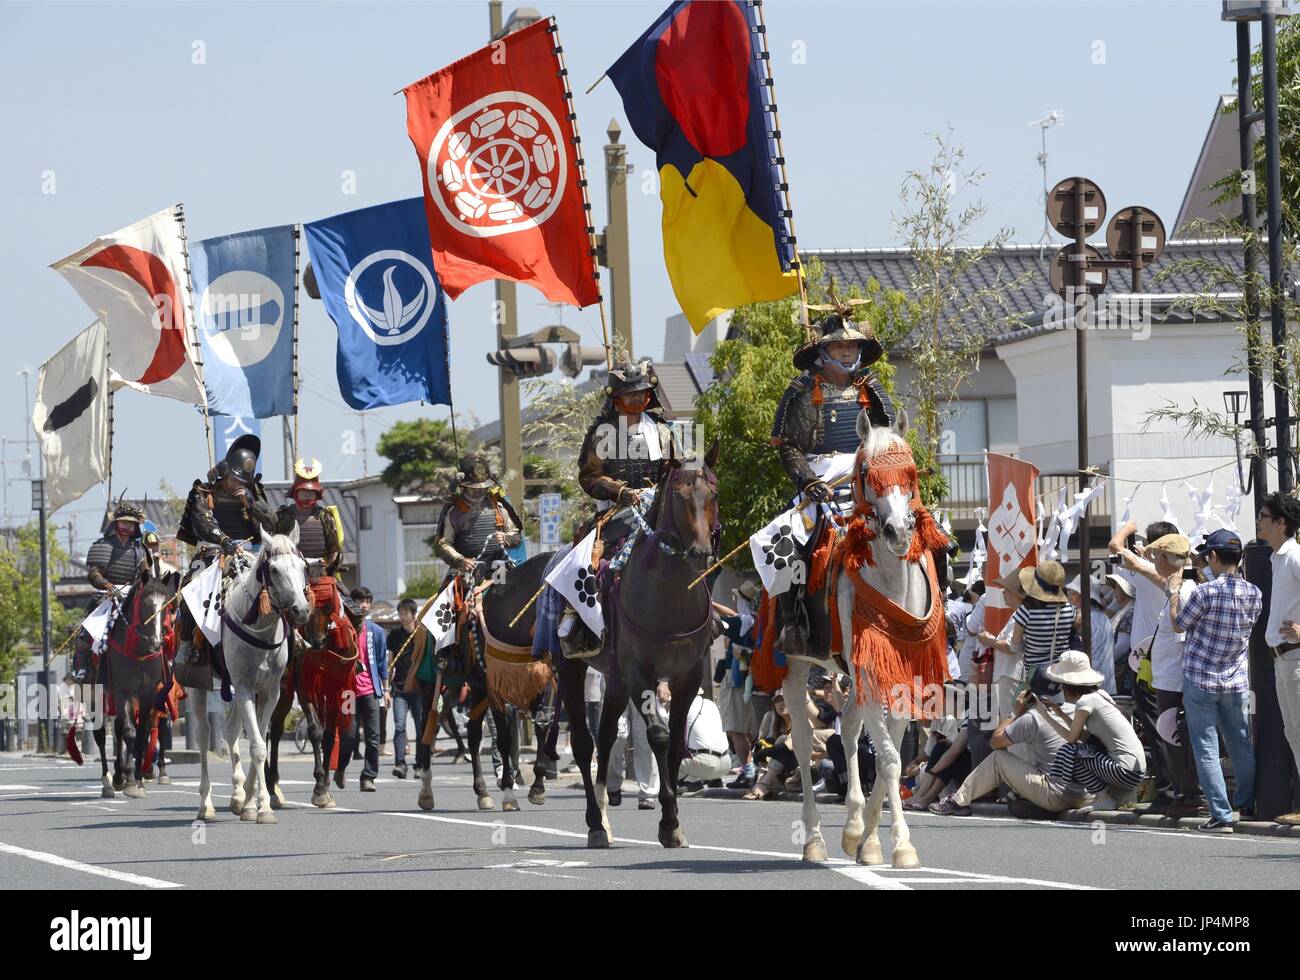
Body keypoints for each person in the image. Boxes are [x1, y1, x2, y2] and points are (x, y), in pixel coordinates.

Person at [770, 303, 893, 656]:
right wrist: (808, 482)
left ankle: (936, 609)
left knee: (925, 530)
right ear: (822, 352)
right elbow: (790, 447)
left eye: (852, 346)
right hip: (821, 479)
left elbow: (888, 436)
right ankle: (792, 622)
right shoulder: (803, 392)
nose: (847, 351)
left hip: (868, 474)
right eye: (839, 346)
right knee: (785, 543)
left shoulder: (872, 388)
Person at [173, 434, 280, 702]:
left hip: (247, 556)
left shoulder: (252, 495)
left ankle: (285, 645)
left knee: (277, 589)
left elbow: (273, 523)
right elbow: (202, 523)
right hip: (211, 556)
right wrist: (224, 541)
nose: (238, 485)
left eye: (243, 481)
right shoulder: (202, 492)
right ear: (224, 473)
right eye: (235, 479)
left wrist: (251, 504)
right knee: (191, 593)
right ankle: (190, 646)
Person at [1171, 529, 1261, 832]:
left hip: (1200, 678)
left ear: (1212, 556)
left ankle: (1221, 815)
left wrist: (1174, 592)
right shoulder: (1254, 593)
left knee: (1207, 748)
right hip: (1235, 680)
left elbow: (1178, 623)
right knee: (1240, 743)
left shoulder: (1203, 592)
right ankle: (1247, 804)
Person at [1116, 529, 1204, 817]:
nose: (1151, 556)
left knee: (1170, 732)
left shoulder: (1179, 587)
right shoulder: (1171, 584)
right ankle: (1179, 792)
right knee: (1167, 731)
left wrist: (1129, 526)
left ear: (1167, 558)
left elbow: (1178, 627)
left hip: (1171, 673)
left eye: (1157, 553)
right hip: (1161, 669)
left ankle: (1182, 793)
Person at [930, 665, 1095, 817]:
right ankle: (1034, 802)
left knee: (998, 758)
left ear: (1031, 693)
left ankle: (958, 801)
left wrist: (1015, 713)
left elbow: (995, 742)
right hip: (1085, 795)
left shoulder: (1032, 718)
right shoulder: (1076, 711)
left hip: (1056, 793)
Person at [1029, 651, 1147, 810]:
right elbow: (1083, 736)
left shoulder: (1084, 702)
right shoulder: (1101, 695)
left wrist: (1046, 716)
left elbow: (1072, 739)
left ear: (1068, 685)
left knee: (1069, 751)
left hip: (1123, 771)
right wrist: (1060, 713)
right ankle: (1098, 795)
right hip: (1136, 770)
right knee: (1078, 749)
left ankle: (1100, 796)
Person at [1258, 492, 1300, 825]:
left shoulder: (1295, 555)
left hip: (1296, 657)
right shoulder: (1277, 558)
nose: (1259, 520)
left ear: (1281, 523)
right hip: (1281, 658)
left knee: (1298, 732)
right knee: (1293, 733)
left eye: (1263, 515)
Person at [71, 501, 148, 682]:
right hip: (107, 596)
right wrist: (109, 586)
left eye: (131, 523)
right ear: (116, 523)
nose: (128, 526)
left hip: (132, 596)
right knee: (86, 632)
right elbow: (94, 573)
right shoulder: (104, 545)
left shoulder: (139, 549)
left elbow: (144, 575)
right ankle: (83, 669)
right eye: (124, 522)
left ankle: (160, 665)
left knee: (155, 626)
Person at [433, 454, 523, 585]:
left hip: (500, 569)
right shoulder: (454, 512)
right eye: (474, 488)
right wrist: (461, 560)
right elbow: (443, 543)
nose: (480, 490)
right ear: (463, 486)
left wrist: (506, 538)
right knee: (443, 603)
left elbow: (516, 534)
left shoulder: (499, 507)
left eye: (483, 487)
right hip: (466, 572)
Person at [337, 586, 387, 792]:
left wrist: (386, 691)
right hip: (348, 692)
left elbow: (382, 663)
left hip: (370, 691)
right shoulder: (342, 628)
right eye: (360, 601)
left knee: (373, 737)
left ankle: (368, 777)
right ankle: (340, 769)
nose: (363, 605)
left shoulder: (376, 631)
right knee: (349, 737)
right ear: (352, 603)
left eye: (367, 601)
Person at [717, 580, 760, 788]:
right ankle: (749, 768)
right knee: (744, 727)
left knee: (736, 729)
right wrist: (713, 603)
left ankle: (748, 770)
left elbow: (720, 620)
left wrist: (705, 605)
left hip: (735, 679)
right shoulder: (752, 620)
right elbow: (731, 615)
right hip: (747, 678)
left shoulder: (741, 622)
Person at [387, 599, 425, 779]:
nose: (403, 616)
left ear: (413, 614)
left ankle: (419, 765)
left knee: (420, 728)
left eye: (406, 613)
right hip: (399, 688)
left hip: (418, 689)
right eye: (400, 613)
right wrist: (387, 686)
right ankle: (400, 764)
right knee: (399, 726)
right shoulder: (394, 636)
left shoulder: (421, 634)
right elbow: (390, 661)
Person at [1067, 575, 1116, 695]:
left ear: (1083, 596)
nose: (1070, 597)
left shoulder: (1084, 619)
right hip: (1106, 683)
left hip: (1090, 684)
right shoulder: (1103, 617)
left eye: (1074, 593)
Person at [677, 689, 730, 791]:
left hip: (706, 764)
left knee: (666, 758)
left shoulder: (682, 707)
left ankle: (692, 781)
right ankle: (714, 779)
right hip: (726, 763)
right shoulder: (711, 704)